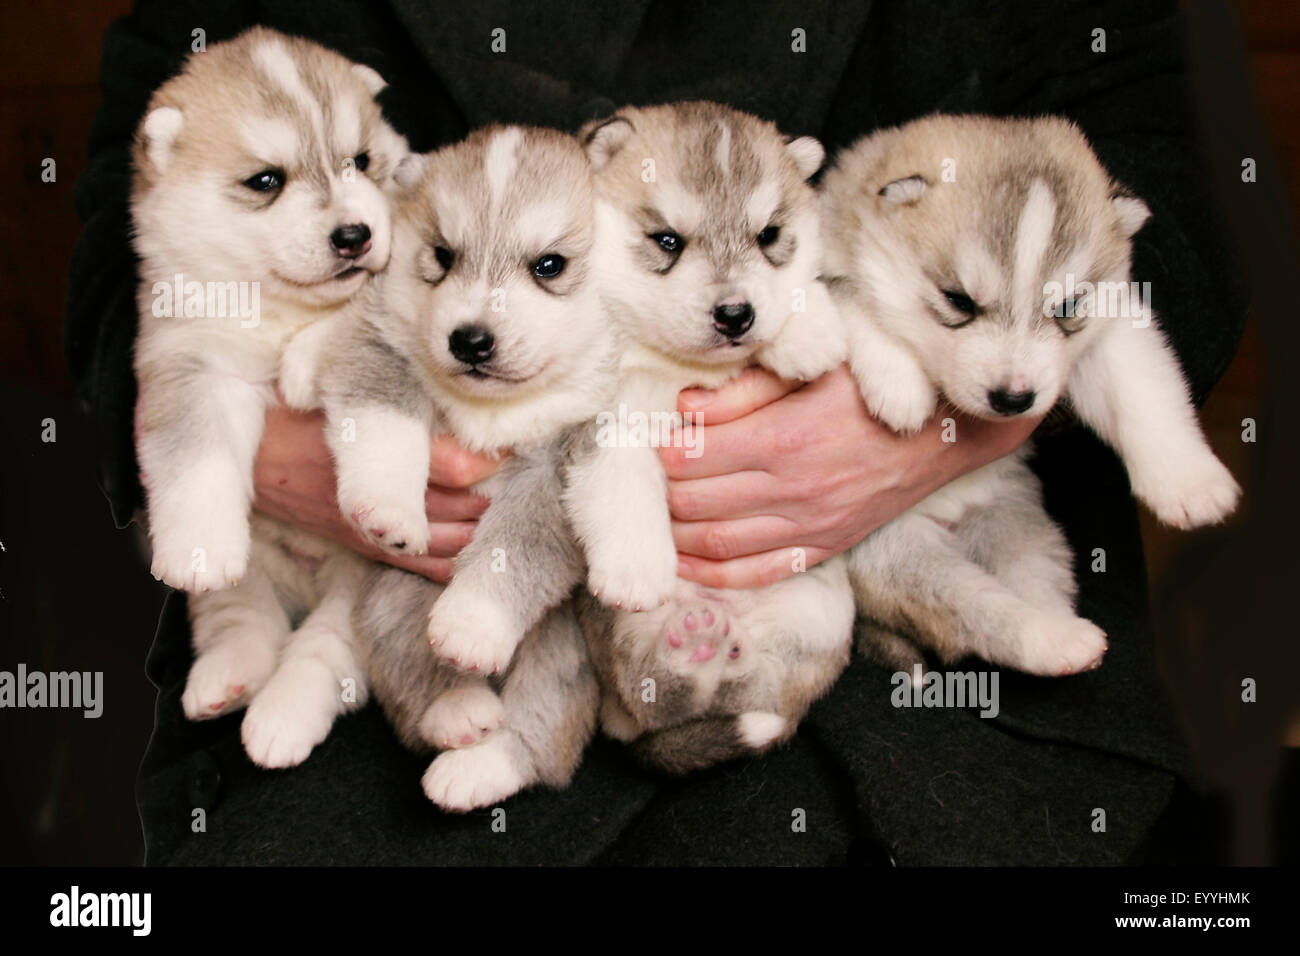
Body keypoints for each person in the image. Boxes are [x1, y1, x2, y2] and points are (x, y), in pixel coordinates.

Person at [68, 0, 1246, 865]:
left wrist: (934, 410)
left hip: (917, 687)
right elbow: (132, 229)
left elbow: (1165, 177)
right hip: (399, 621)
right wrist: (260, 433)